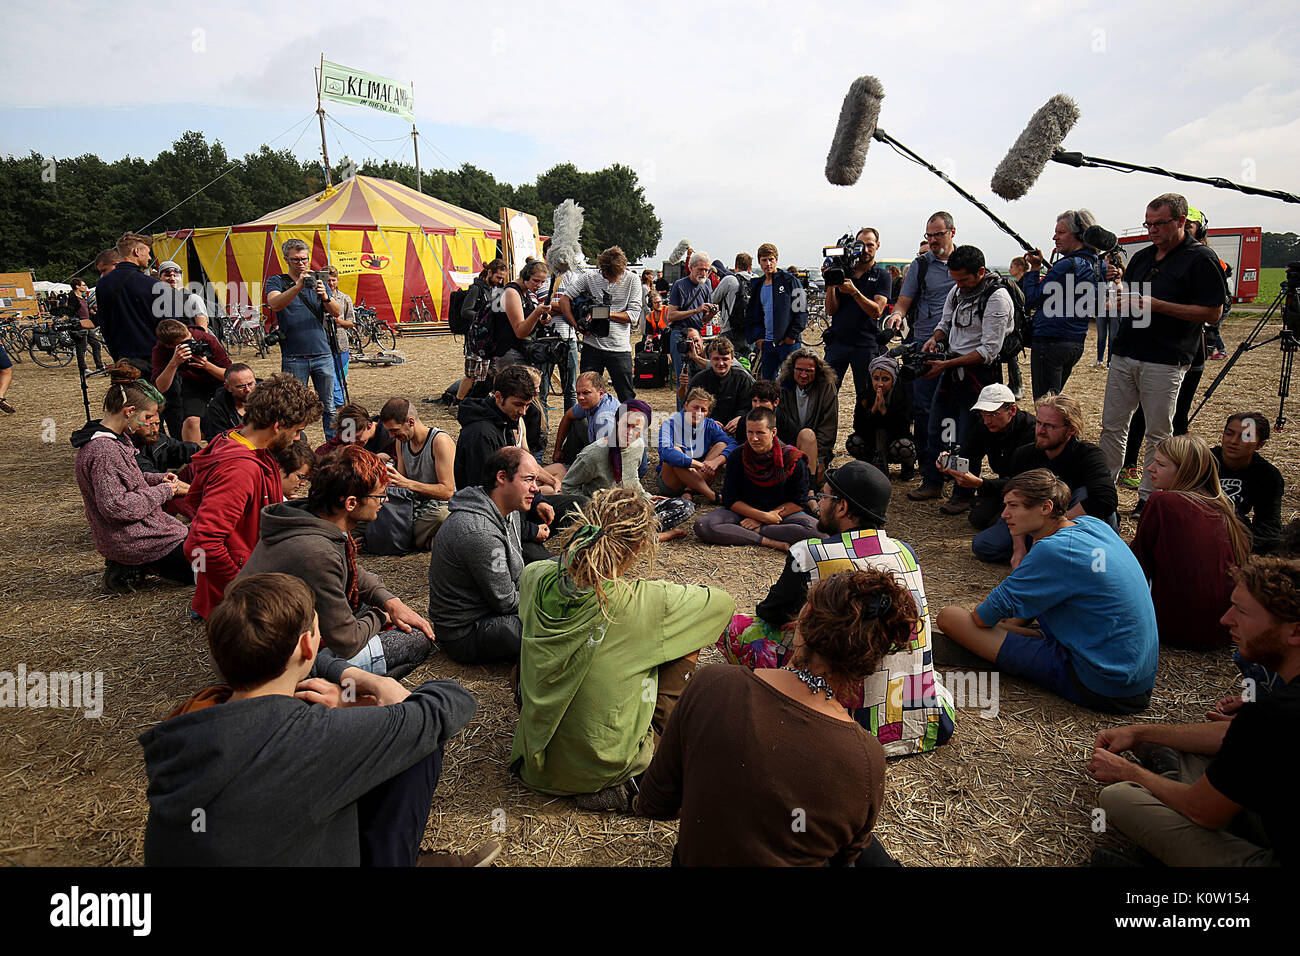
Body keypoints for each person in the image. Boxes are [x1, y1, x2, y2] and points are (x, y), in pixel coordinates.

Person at [139, 572, 493, 867]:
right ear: (309, 646)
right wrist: (374, 691)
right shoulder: (313, 736)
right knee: (417, 747)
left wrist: (354, 684)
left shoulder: (192, 719)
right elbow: (451, 702)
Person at [636, 569, 909, 865]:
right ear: (868, 663)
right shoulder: (865, 758)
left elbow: (654, 803)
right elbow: (845, 860)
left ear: (802, 622)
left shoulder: (712, 684)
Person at [510, 488, 735, 810]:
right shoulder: (645, 602)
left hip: (536, 764)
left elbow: (559, 573)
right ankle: (637, 776)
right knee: (683, 639)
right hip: (604, 768)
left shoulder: (534, 576)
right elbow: (722, 605)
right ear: (641, 546)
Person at [727, 460, 956, 756]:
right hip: (921, 723)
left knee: (739, 630)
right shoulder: (906, 552)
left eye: (823, 497)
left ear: (843, 507)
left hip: (842, 726)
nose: (818, 504)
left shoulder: (810, 554)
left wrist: (800, 620)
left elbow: (770, 614)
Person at [1088, 555, 1300, 867]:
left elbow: (1203, 812)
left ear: (1294, 633)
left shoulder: (1273, 712)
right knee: (1203, 749)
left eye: (1241, 611)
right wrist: (1140, 731)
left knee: (1119, 798)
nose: (1226, 619)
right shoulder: (1275, 704)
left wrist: (1131, 773)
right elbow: (1233, 734)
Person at [938, 469, 1158, 713]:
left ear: (1045, 508)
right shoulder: (1094, 525)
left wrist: (1002, 626)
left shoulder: (1053, 550)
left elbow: (982, 618)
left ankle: (1032, 639)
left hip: (1101, 684)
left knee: (950, 617)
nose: (1004, 514)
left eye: (1014, 506)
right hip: (1137, 678)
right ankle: (1032, 637)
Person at [239, 444, 435, 679]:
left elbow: (352, 571)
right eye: (379, 495)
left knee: (366, 599)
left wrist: (391, 602)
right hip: (273, 666)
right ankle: (328, 685)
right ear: (351, 503)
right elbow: (347, 641)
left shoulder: (310, 519)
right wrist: (382, 615)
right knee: (416, 639)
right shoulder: (316, 552)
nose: (384, 501)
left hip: (272, 637)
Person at [1099, 193, 1230, 508]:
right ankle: (1103, 494)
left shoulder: (1202, 259)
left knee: (1158, 432)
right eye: (1149, 223)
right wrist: (1119, 300)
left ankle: (1149, 498)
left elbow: (1213, 313)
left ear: (1181, 221)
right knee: (1112, 424)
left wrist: (1158, 306)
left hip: (1166, 358)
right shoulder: (1143, 257)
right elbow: (1133, 297)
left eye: (1160, 223)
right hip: (1126, 351)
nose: (1152, 230)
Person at [185, 373, 323, 619]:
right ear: (278, 426)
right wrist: (237, 587)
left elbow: (196, 500)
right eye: (297, 431)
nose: (297, 439)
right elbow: (200, 544)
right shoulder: (240, 468)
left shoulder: (238, 444)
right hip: (242, 600)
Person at [912, 245, 1012, 510]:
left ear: (980, 272)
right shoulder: (957, 291)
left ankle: (962, 494)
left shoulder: (997, 298)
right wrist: (935, 339)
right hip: (951, 369)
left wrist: (946, 364)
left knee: (968, 437)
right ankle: (934, 482)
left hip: (979, 376)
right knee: (938, 428)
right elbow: (945, 323)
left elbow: (989, 350)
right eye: (955, 280)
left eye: (964, 280)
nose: (959, 285)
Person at [1131, 434, 1252, 650]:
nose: (1150, 468)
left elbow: (1137, 565)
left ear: (1184, 471)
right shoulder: (1223, 509)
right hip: (1223, 629)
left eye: (1160, 464)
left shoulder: (1163, 502)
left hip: (1176, 627)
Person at [71, 383, 193, 593]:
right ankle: (132, 563)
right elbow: (116, 507)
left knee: (212, 543)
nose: (150, 426)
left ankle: (132, 564)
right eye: (147, 418)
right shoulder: (103, 451)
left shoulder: (117, 440)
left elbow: (128, 479)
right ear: (129, 412)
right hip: (138, 541)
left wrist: (159, 479)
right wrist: (165, 491)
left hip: (146, 535)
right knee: (216, 567)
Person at [970, 392, 1117, 564]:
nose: (1040, 431)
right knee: (983, 544)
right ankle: (1045, 552)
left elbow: (1106, 499)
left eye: (1050, 426)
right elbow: (1015, 500)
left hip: (1070, 521)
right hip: (1034, 518)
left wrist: (1055, 526)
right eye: (1039, 423)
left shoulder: (1088, 455)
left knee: (1086, 495)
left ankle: (1065, 551)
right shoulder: (1025, 454)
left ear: (1071, 430)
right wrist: (1019, 548)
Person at [427, 446, 541, 664]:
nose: (535, 488)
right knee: (546, 625)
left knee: (554, 570)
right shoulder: (480, 532)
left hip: (494, 608)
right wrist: (547, 603)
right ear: (501, 478)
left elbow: (516, 577)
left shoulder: (509, 510)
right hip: (466, 631)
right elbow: (505, 603)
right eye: (528, 479)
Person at [888, 212, 959, 497]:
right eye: (928, 235)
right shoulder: (920, 265)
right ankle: (930, 477)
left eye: (937, 235)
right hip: (925, 345)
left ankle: (954, 471)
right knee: (926, 412)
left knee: (955, 414)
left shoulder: (964, 262)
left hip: (959, 346)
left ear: (952, 232)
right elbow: (904, 301)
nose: (932, 240)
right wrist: (896, 315)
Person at [693, 407, 820, 552]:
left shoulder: (792, 458)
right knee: (704, 525)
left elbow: (798, 502)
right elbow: (731, 499)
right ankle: (766, 540)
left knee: (819, 533)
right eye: (750, 432)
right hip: (744, 512)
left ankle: (750, 531)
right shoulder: (737, 456)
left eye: (760, 433)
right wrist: (762, 516)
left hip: (780, 514)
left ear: (773, 432)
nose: (754, 438)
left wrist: (763, 520)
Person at [264, 238, 343, 438]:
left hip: (322, 353)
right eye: (295, 260)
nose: (301, 263)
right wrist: (298, 286)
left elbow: (336, 312)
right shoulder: (277, 281)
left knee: (329, 407)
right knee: (292, 409)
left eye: (304, 259)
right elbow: (274, 304)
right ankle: (295, 449)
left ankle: (332, 448)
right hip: (294, 356)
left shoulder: (319, 280)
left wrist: (325, 296)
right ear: (286, 260)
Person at [1020, 210, 1103, 399]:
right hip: (1075, 341)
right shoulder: (1098, 265)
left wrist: (1034, 269)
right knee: (1054, 400)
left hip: (1050, 340)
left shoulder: (1066, 265)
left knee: (1045, 404)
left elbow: (1032, 299)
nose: (1054, 237)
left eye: (1061, 232)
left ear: (1079, 235)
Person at [938, 383, 1036, 523]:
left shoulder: (1032, 431)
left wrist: (980, 484)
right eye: (983, 414)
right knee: (979, 518)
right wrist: (950, 467)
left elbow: (1023, 482)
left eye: (993, 414)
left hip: (1029, 490)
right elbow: (969, 455)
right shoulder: (985, 426)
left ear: (1012, 410)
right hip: (1006, 486)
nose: (987, 421)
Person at [555, 246, 643, 402]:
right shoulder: (590, 277)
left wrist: (603, 314)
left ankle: (626, 426)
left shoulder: (632, 279)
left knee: (626, 396)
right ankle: (591, 426)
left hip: (619, 348)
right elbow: (564, 299)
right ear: (601, 268)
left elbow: (634, 315)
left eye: (614, 275)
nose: (609, 278)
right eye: (606, 274)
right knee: (588, 395)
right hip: (592, 346)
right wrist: (576, 324)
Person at [823, 227, 892, 402]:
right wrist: (831, 282)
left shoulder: (882, 275)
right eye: (861, 245)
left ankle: (863, 429)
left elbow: (877, 311)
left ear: (877, 246)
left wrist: (854, 292)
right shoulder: (844, 272)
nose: (866, 249)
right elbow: (831, 310)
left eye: (870, 245)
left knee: (866, 395)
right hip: (838, 342)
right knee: (826, 394)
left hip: (866, 344)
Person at [379, 397, 457, 550]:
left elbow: (447, 491)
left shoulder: (439, 441)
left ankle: (396, 537)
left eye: (394, 430)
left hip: (438, 506)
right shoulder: (401, 441)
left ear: (411, 422)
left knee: (442, 516)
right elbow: (400, 484)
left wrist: (407, 483)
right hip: (412, 504)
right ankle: (421, 541)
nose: (391, 436)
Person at [1213, 412, 1285, 554]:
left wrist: (1238, 543)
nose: (1233, 441)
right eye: (1229, 434)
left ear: (1259, 445)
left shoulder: (1267, 475)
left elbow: (1269, 526)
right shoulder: (1202, 461)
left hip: (1233, 533)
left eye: (1245, 437)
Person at [151, 318, 231, 443]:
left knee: (227, 418)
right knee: (191, 421)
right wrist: (174, 362)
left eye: (190, 339)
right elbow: (160, 388)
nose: (191, 344)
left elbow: (230, 375)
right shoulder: (161, 350)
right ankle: (194, 457)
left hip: (219, 381)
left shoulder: (205, 339)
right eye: (185, 343)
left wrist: (206, 365)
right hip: (194, 384)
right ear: (170, 346)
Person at [94, 232, 164, 368]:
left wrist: (116, 356)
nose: (149, 257)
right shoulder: (153, 285)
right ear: (136, 251)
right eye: (148, 252)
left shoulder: (103, 284)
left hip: (123, 358)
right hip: (153, 357)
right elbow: (167, 324)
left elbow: (105, 324)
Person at [658, 388, 738, 503]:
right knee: (675, 452)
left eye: (703, 410)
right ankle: (711, 495)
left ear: (707, 412)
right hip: (673, 481)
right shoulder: (670, 424)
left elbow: (732, 443)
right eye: (695, 407)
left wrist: (717, 461)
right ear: (686, 405)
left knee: (721, 445)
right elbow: (665, 451)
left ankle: (690, 489)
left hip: (700, 475)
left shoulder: (710, 424)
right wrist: (698, 465)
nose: (698, 413)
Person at [774, 348, 838, 485]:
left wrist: (818, 458)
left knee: (815, 478)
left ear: (817, 371)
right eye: (799, 370)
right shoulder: (783, 384)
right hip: (789, 445)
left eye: (809, 371)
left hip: (815, 447)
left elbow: (828, 426)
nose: (803, 375)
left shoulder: (826, 386)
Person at [845, 354, 915, 479]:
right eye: (876, 378)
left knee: (905, 446)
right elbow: (858, 427)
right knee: (853, 442)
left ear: (893, 380)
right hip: (872, 441)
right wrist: (872, 410)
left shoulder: (902, 394)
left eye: (885, 379)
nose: (879, 384)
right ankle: (869, 463)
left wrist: (884, 411)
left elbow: (902, 429)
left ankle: (908, 468)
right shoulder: (865, 394)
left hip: (894, 443)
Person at [746, 242, 807, 381]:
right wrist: (759, 338)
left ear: (776, 260)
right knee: (768, 383)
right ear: (759, 262)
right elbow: (755, 315)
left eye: (771, 259)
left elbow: (802, 310)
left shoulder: (791, 281)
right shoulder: (758, 285)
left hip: (788, 343)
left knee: (790, 383)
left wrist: (791, 337)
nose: (768, 263)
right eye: (764, 260)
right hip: (767, 343)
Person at [667, 252, 721, 407]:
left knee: (699, 375)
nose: (704, 273)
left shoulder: (706, 286)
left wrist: (711, 313)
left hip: (697, 334)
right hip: (681, 335)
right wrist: (696, 310)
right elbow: (671, 316)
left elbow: (704, 320)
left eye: (707, 270)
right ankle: (682, 417)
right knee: (683, 378)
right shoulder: (680, 285)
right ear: (691, 268)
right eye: (700, 269)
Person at [677, 335, 753, 436]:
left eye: (725, 359)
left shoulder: (742, 378)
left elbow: (748, 406)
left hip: (736, 431)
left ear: (732, 359)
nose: (721, 363)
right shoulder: (699, 379)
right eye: (716, 359)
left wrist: (740, 418)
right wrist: (707, 423)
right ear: (710, 359)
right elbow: (687, 410)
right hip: (705, 431)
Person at [455, 259, 508, 402]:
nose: (499, 281)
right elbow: (465, 311)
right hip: (476, 338)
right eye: (498, 277)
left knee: (495, 371)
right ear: (489, 272)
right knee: (472, 374)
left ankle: (489, 400)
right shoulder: (476, 288)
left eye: (502, 278)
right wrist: (484, 318)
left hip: (492, 338)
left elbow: (497, 311)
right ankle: (458, 402)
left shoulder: (496, 290)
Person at [493, 261, 554, 375]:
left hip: (518, 350)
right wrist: (536, 313)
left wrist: (539, 319)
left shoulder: (524, 292)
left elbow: (524, 321)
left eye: (542, 282)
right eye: (536, 281)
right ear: (525, 276)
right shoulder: (512, 292)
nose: (539, 285)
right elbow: (520, 331)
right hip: (509, 352)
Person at [552, 371, 619, 468]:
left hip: (617, 464)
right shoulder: (592, 402)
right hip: (603, 450)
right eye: (578, 393)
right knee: (577, 421)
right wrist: (557, 450)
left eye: (586, 393)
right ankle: (568, 463)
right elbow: (568, 416)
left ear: (600, 393)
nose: (580, 398)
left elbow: (608, 459)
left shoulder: (605, 419)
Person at [710, 252, 755, 359]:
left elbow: (713, 299)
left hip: (730, 329)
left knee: (726, 363)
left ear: (735, 266)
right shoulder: (756, 281)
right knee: (745, 363)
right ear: (750, 267)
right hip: (750, 330)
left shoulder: (730, 280)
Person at [325, 267, 356, 408]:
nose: (331, 283)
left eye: (333, 280)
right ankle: (338, 403)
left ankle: (339, 402)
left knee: (341, 376)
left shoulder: (344, 298)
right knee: (330, 376)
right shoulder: (317, 298)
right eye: (328, 280)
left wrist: (339, 322)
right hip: (323, 342)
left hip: (341, 342)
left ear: (337, 281)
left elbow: (351, 322)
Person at [201, 364, 255, 440]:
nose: (248, 390)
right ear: (228, 387)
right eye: (241, 386)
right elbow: (217, 441)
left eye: (250, 384)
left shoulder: (266, 399)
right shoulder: (217, 409)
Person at [155, 260, 210, 332]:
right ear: (159, 278)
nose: (172, 279)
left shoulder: (193, 299)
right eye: (168, 275)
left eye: (176, 275)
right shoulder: (156, 299)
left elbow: (203, 330)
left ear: (181, 278)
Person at [70, 278, 105, 371]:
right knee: (82, 347)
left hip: (88, 323)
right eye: (84, 285)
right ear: (77, 286)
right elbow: (71, 312)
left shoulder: (83, 297)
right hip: (80, 325)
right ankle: (83, 367)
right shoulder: (73, 298)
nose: (86, 287)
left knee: (96, 345)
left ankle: (99, 365)